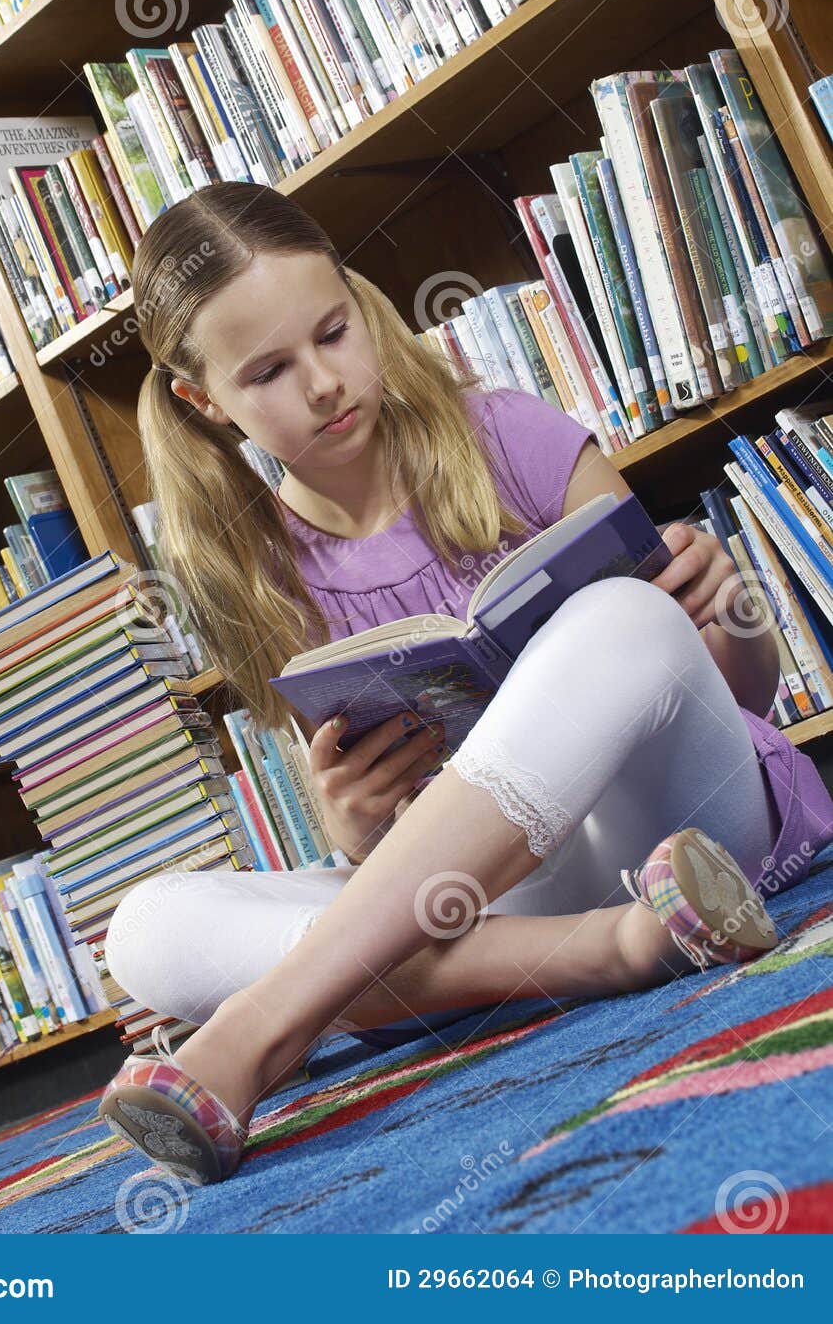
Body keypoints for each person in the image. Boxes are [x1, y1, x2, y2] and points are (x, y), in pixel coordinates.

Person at [98, 182, 833, 1186]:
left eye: (332, 331)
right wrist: (351, 829)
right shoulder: (254, 569)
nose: (322, 383)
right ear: (203, 400)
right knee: (146, 929)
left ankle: (265, 1023)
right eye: (268, 370)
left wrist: (724, 616)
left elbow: (728, 701)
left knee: (622, 616)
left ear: (362, 304)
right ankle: (613, 948)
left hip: (680, 831)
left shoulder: (503, 433)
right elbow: (386, 852)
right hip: (499, 901)